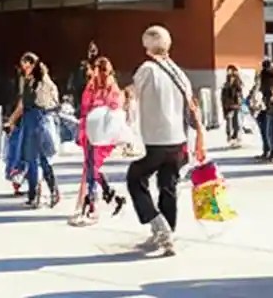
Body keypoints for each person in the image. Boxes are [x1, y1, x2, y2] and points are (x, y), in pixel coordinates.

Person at [127, 25, 207, 257]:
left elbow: (131, 94)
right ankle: (168, 233)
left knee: (135, 177)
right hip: (179, 139)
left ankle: (156, 223)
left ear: (149, 44)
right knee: (168, 185)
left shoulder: (148, 69)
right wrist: (200, 137)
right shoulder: (179, 72)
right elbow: (193, 106)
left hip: (156, 138)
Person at [73, 56, 127, 225]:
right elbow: (84, 109)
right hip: (90, 132)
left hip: (104, 134)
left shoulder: (113, 88)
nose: (101, 73)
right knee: (90, 167)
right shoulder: (91, 87)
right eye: (99, 69)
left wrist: (101, 110)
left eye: (104, 70)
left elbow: (115, 107)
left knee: (93, 167)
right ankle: (101, 198)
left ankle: (98, 200)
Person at [5, 53, 62, 209]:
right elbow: (55, 102)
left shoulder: (35, 82)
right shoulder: (45, 82)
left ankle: (37, 195)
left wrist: (11, 121)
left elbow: (23, 105)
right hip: (40, 120)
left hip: (36, 119)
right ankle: (49, 192)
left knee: (34, 160)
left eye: (24, 64)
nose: (23, 68)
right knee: (39, 160)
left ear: (31, 64)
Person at [252, 60, 273, 162]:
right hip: (267, 106)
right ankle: (270, 151)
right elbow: (260, 89)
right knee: (269, 130)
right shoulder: (265, 76)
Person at [220, 65, 245, 149]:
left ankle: (237, 139)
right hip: (229, 106)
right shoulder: (226, 85)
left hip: (236, 106)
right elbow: (224, 97)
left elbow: (240, 94)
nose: (231, 76)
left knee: (237, 123)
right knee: (229, 123)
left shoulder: (238, 84)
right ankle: (231, 138)